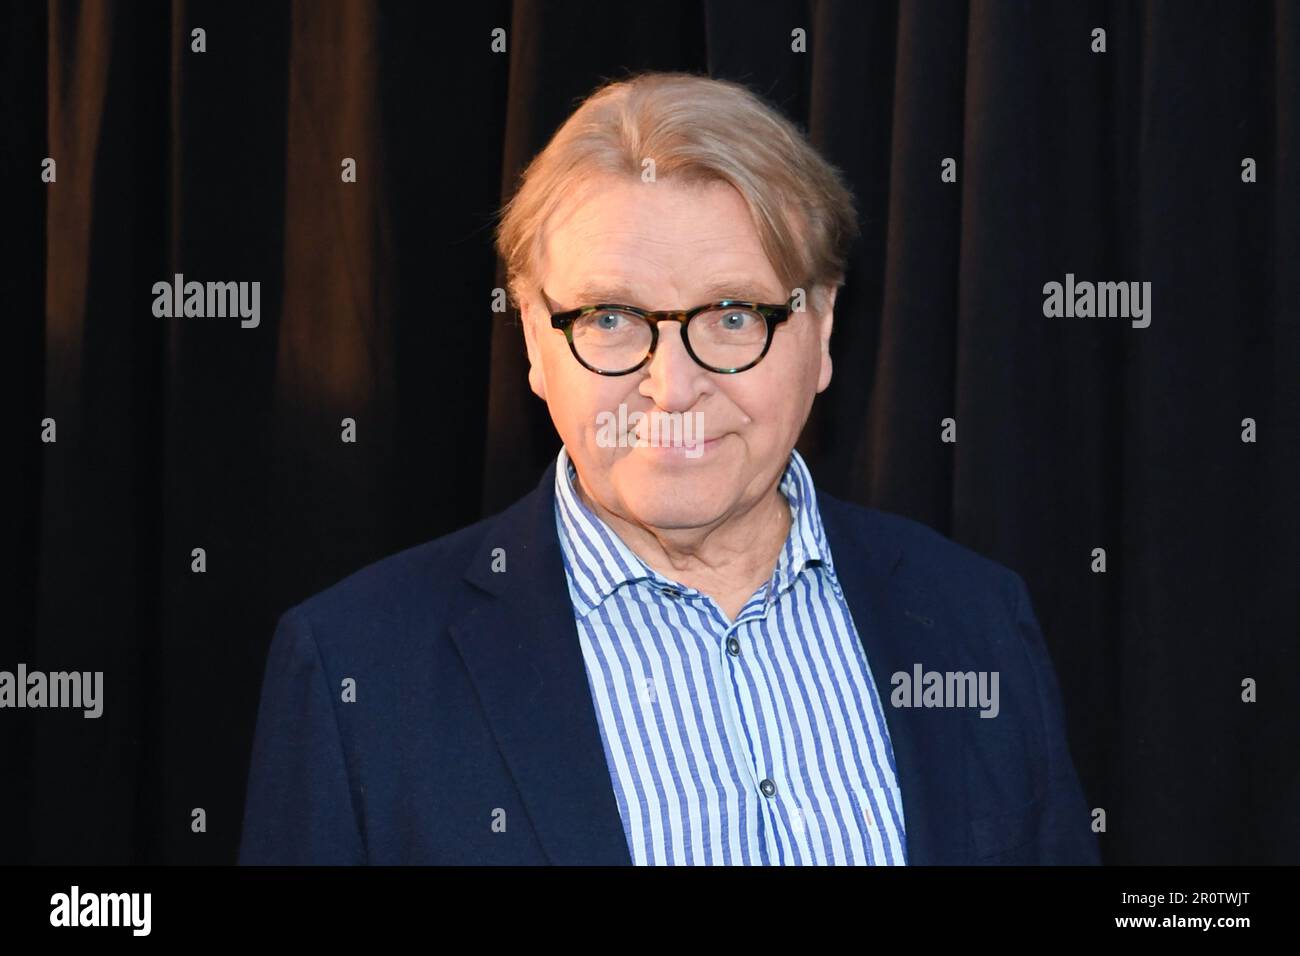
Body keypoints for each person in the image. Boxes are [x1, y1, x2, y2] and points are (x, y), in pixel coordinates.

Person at [238, 71, 1100, 865]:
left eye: (731, 315)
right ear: (537, 339)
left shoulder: (976, 618)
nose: (672, 386)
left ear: (823, 328)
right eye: (611, 317)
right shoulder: (357, 669)